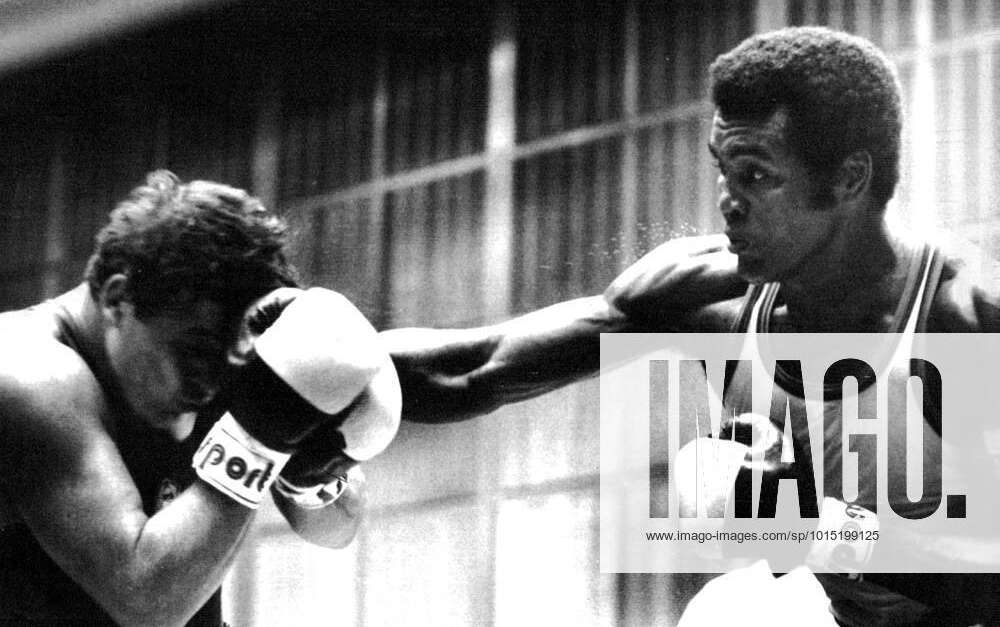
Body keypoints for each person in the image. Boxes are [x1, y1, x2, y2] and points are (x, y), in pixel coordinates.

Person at [382, 27, 1000, 625]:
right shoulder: (718, 309)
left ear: (849, 178)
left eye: (756, 175)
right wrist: (319, 361)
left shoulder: (969, 321)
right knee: (732, 611)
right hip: (840, 613)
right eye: (722, 171)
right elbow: (479, 367)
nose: (728, 201)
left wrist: (826, 531)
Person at [0, 171, 401, 625]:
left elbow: (337, 528)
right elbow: (147, 601)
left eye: (228, 362)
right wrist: (258, 437)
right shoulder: (27, 374)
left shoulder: (189, 365)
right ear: (118, 300)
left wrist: (307, 466)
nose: (212, 384)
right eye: (195, 352)